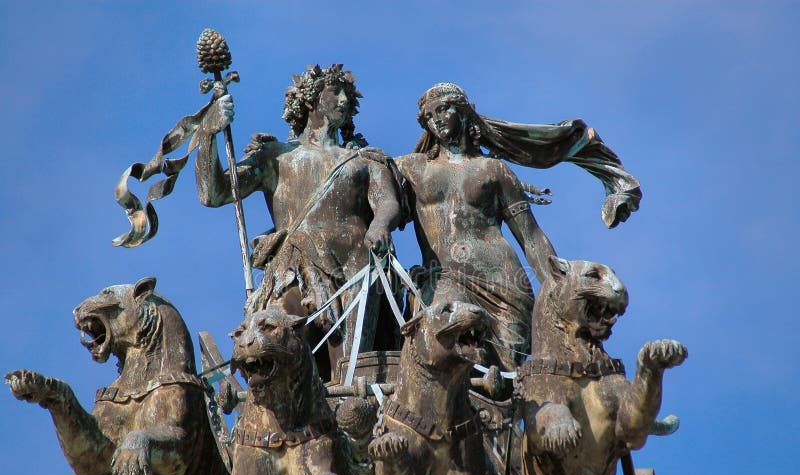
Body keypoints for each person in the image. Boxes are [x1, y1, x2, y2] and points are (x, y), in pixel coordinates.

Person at [396, 83, 640, 371]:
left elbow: (531, 237)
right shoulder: (411, 168)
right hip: (445, 279)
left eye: (444, 109)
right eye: (429, 115)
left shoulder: (494, 171)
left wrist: (557, 287)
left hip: (505, 284)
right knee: (447, 344)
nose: (437, 118)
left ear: (463, 113)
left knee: (506, 380)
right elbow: (367, 193)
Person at [195, 64, 403, 381]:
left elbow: (387, 201)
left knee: (348, 366)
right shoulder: (275, 155)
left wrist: (380, 224)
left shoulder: (364, 160)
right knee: (279, 340)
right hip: (293, 268)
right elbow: (214, 193)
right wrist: (209, 133)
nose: (344, 100)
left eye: (348, 94)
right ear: (309, 99)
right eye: (336, 91)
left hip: (356, 265)